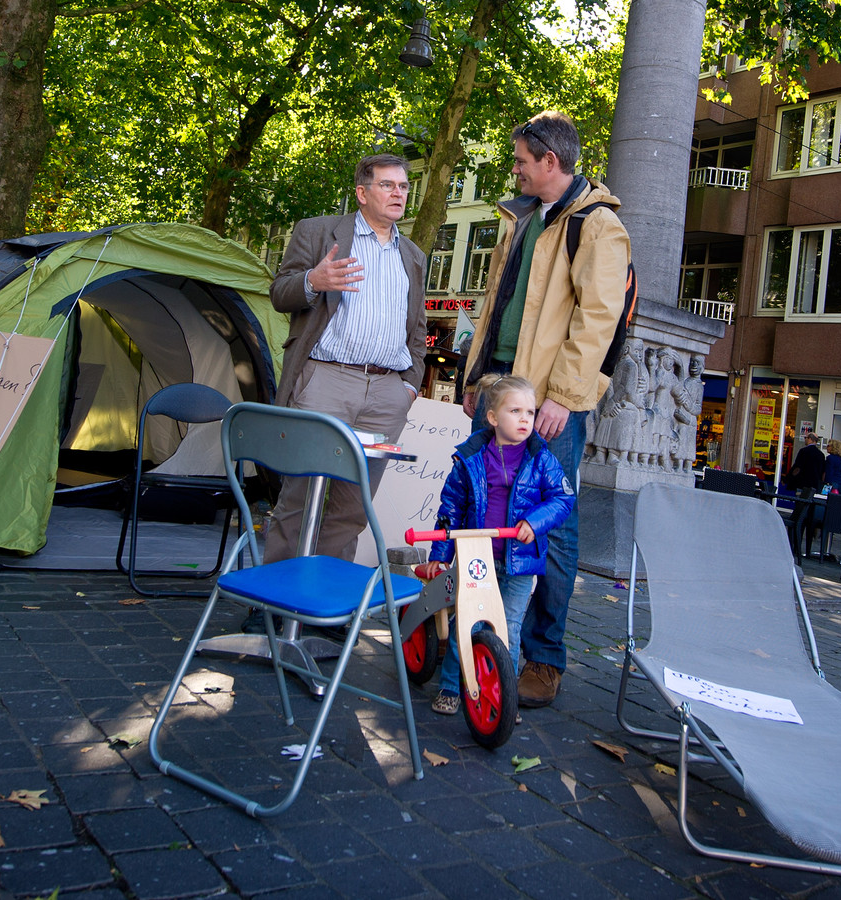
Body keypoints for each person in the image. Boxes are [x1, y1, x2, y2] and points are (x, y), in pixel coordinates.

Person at [459, 110, 630, 707]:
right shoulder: (523, 218)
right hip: (498, 393)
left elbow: (599, 321)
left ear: (550, 162)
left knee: (551, 528)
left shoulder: (598, 226)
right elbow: (495, 305)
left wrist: (563, 398)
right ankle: (482, 637)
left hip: (549, 404)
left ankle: (545, 659)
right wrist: (474, 379)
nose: (516, 169)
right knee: (481, 512)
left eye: (522, 161)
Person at [244, 153, 427, 634]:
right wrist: (313, 281)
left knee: (352, 503)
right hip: (326, 380)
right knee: (300, 494)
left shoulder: (413, 255)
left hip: (388, 390)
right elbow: (279, 292)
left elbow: (418, 327)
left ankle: (323, 604)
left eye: (404, 186)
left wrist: (410, 384)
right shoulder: (318, 231)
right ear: (363, 192)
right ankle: (273, 600)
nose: (399, 193)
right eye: (388, 185)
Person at [421, 374, 575, 715]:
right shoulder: (472, 458)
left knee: (509, 628)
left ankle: (501, 694)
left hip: (519, 562)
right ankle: (452, 686)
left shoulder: (540, 458)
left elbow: (563, 498)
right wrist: (440, 556)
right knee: (469, 623)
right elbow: (451, 509)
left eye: (530, 413)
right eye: (515, 411)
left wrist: (534, 524)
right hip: (477, 558)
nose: (525, 419)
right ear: (492, 418)